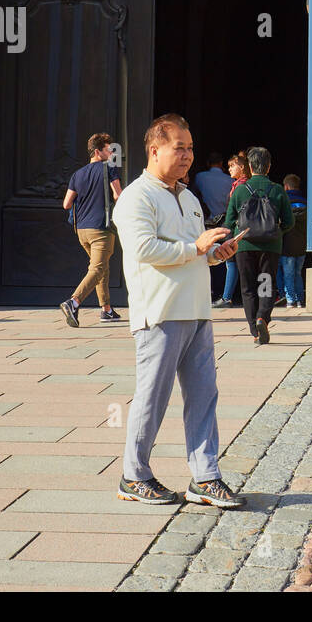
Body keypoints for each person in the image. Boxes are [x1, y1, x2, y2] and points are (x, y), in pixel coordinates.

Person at [111, 113, 244, 507]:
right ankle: (133, 475)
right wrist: (198, 248)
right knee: (152, 397)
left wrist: (217, 255)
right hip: (160, 311)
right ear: (154, 150)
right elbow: (144, 250)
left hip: (197, 310)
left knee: (204, 396)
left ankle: (205, 476)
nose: (187, 155)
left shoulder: (187, 197)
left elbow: (193, 251)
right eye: (179, 148)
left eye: (190, 148)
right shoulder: (136, 197)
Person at [223, 146, 294, 344]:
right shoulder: (277, 189)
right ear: (269, 166)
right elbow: (289, 222)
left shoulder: (240, 191)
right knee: (266, 285)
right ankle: (263, 316)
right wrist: (277, 233)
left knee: (248, 288)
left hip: (244, 246)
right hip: (270, 247)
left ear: (250, 167)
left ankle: (255, 330)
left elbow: (229, 222)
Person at [59, 132, 123, 327]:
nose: (112, 152)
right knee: (97, 268)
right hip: (101, 228)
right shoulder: (109, 168)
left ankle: (107, 310)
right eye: (108, 149)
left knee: (101, 267)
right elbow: (118, 195)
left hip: (82, 230)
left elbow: (66, 204)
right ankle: (74, 302)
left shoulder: (77, 174)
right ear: (98, 151)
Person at [195, 151, 234, 301]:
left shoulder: (200, 177)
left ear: (207, 163)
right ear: (221, 164)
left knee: (206, 256)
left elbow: (196, 194)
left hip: (206, 222)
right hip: (224, 221)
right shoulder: (229, 180)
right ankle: (221, 292)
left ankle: (209, 291)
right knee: (222, 256)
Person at [215, 152, 248, 308]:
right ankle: (228, 297)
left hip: (237, 229)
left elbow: (237, 210)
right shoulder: (238, 184)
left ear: (241, 167)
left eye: (232, 166)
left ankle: (227, 297)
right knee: (234, 263)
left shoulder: (241, 186)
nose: (229, 169)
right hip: (238, 229)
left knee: (233, 263)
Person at [278, 173, 308, 308]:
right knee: (297, 274)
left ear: (286, 186)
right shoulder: (305, 201)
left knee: (288, 274)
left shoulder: (283, 202)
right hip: (302, 245)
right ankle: (301, 299)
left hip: (287, 245)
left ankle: (290, 300)